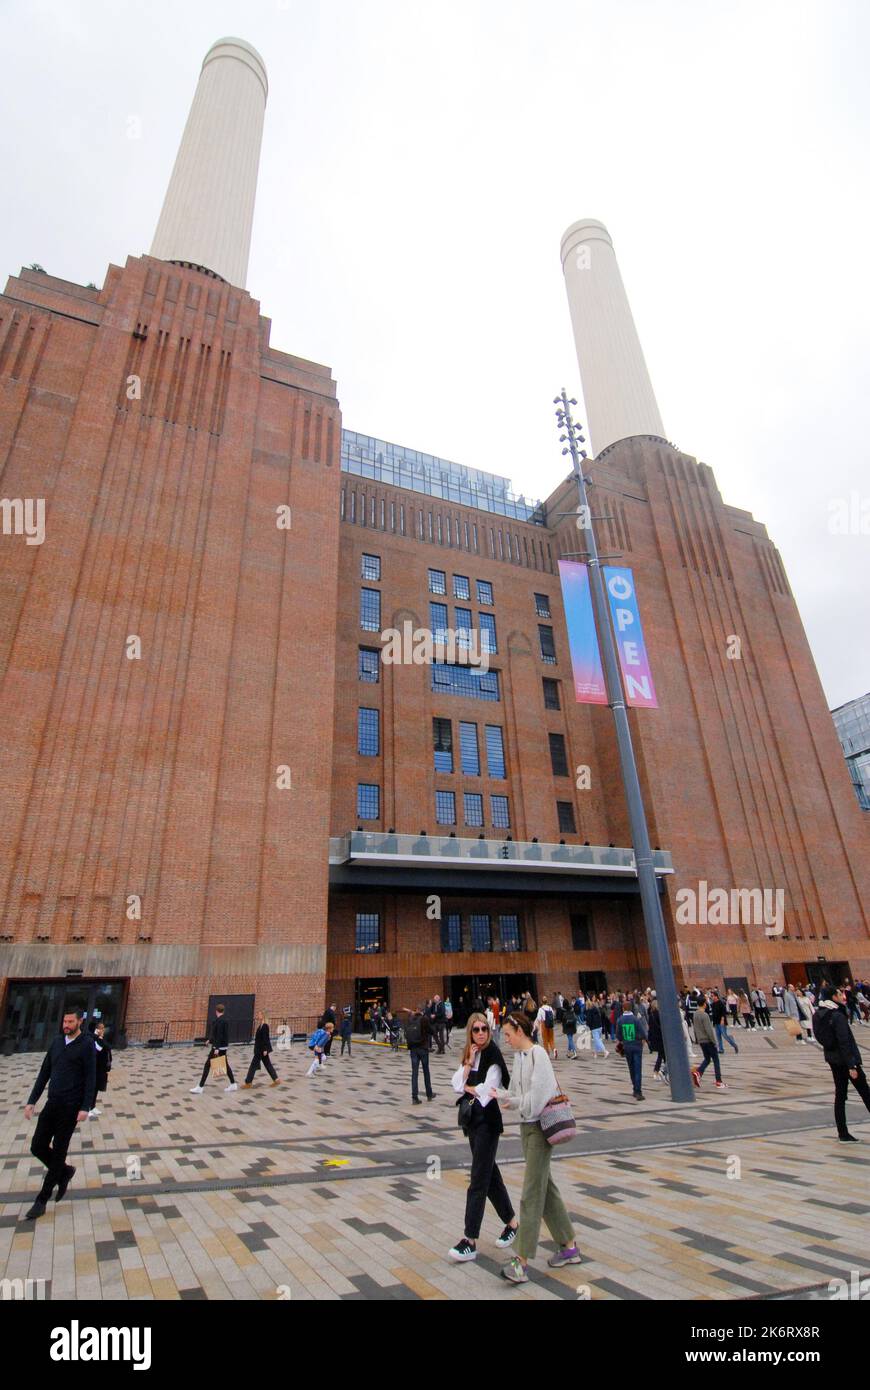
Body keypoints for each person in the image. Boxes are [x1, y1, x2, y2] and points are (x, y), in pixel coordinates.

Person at [495, 1013, 581, 1283]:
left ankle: (520, 1261)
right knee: (546, 1187)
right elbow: (516, 1092)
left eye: (508, 1034)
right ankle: (569, 1247)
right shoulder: (519, 1058)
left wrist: (517, 1102)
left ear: (520, 1030)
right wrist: (500, 1095)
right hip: (526, 1128)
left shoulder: (538, 1055)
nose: (506, 1040)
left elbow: (537, 1099)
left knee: (531, 1192)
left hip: (540, 1129)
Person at [448, 1013, 518, 1262]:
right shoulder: (472, 1055)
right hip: (472, 1124)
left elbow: (488, 1092)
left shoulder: (493, 1056)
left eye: (484, 1029)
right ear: (470, 1032)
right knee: (489, 1176)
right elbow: (456, 1084)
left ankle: (469, 1239)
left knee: (478, 1179)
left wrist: (469, 1087)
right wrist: (467, 1066)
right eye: (476, 1029)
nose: (481, 1033)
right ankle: (512, 1222)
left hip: (488, 1124)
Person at [23, 1008, 96, 1220]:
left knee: (59, 1151)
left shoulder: (86, 1045)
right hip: (52, 1103)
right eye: (64, 1021)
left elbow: (91, 1078)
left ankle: (42, 1199)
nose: (66, 1025)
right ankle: (64, 1172)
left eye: (70, 1021)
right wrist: (31, 1101)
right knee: (37, 1145)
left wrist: (85, 1107)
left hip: (71, 1107)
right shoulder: (56, 1043)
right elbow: (44, 1072)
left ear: (79, 1022)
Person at [813, 987, 870, 1142]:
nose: (843, 996)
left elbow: (820, 1037)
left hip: (833, 1060)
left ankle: (842, 1132)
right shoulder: (837, 1015)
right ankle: (843, 1133)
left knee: (840, 1096)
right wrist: (852, 1065)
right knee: (866, 1092)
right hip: (847, 1060)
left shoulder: (818, 1014)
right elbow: (844, 1041)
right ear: (833, 997)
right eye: (839, 994)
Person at [191, 1003, 236, 1093]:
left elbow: (219, 1035)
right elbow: (219, 1034)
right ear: (223, 1011)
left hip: (218, 1047)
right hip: (222, 1047)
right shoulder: (224, 1020)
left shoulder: (219, 1021)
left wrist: (216, 1048)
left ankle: (200, 1087)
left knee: (207, 1065)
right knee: (225, 1066)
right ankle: (233, 1084)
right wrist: (210, 1040)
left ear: (216, 1011)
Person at [401, 1006, 437, 1104]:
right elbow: (432, 1031)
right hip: (423, 1048)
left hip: (413, 1049)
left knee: (414, 1073)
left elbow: (406, 1033)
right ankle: (429, 1094)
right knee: (426, 1071)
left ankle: (414, 1097)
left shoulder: (410, 1019)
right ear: (422, 1011)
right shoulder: (424, 1019)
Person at [691, 998, 727, 1089]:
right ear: (704, 1004)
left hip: (701, 1041)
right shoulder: (705, 1015)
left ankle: (698, 1073)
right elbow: (709, 1030)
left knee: (707, 1058)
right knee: (716, 1060)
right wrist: (714, 1041)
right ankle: (718, 1081)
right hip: (708, 1040)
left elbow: (695, 1028)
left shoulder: (695, 1014)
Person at [616, 998, 648, 1100]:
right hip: (637, 1045)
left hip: (627, 1046)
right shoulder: (635, 1019)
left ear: (623, 1008)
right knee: (638, 1068)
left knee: (631, 1068)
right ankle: (638, 1091)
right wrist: (642, 1041)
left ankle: (635, 1088)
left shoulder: (620, 1020)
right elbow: (643, 1033)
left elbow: (619, 1036)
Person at [243, 1012, 280, 1087]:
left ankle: (248, 1082)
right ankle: (276, 1079)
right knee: (267, 1064)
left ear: (263, 1016)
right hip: (260, 1049)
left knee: (253, 1065)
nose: (258, 1015)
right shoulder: (261, 1025)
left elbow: (265, 1038)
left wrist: (265, 1049)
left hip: (261, 1050)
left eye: (259, 1014)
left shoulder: (265, 1026)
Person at [88, 1021, 112, 1118]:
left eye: (103, 1028)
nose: (103, 1030)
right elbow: (99, 1048)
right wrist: (100, 1038)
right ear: (96, 1029)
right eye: (101, 1028)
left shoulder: (100, 1038)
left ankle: (92, 1106)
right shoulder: (92, 1038)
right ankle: (86, 1107)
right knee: (91, 1088)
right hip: (94, 1067)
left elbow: (108, 1047)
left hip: (101, 1068)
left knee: (96, 1087)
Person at [710, 990, 739, 1056]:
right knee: (718, 1037)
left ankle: (734, 1045)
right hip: (716, 1022)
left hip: (721, 1022)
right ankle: (721, 1049)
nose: (712, 997)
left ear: (716, 996)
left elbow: (723, 1012)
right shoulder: (713, 1004)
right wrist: (713, 1023)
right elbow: (713, 1014)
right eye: (711, 996)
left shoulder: (720, 1003)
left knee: (724, 1035)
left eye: (713, 996)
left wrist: (722, 1020)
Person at [647, 998, 668, 1081]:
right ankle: (660, 1072)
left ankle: (661, 1072)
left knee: (662, 1055)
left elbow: (650, 1028)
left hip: (655, 1038)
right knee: (662, 1055)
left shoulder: (651, 1015)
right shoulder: (659, 1014)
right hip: (661, 1038)